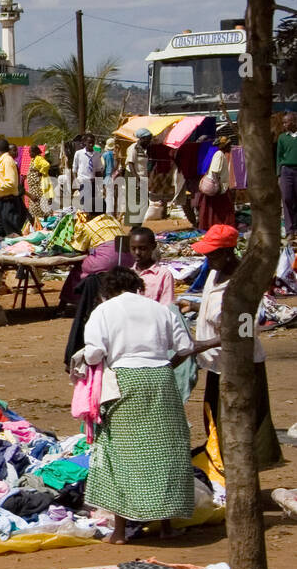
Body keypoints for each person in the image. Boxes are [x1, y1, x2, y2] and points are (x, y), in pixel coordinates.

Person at [78, 267, 196, 544]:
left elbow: (95, 352)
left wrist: (84, 361)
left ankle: (119, 532)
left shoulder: (103, 311)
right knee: (165, 449)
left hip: (125, 380)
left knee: (121, 451)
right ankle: (166, 526)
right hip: (162, 380)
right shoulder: (160, 309)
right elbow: (185, 347)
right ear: (138, 286)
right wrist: (163, 365)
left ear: (107, 290)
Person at [190, 224, 283, 471]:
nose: (208, 259)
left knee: (240, 427)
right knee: (216, 423)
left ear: (229, 253)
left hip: (239, 368)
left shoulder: (241, 287)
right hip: (216, 365)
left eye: (213, 254)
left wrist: (198, 346)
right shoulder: (214, 273)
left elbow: (242, 334)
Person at [194, 136, 236, 231]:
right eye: (228, 145)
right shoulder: (219, 154)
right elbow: (215, 171)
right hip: (219, 189)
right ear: (224, 146)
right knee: (222, 211)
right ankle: (221, 228)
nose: (230, 147)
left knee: (211, 210)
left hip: (216, 187)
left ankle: (212, 227)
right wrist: (217, 186)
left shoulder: (217, 154)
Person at [127, 226, 174, 309]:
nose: (137, 252)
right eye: (133, 248)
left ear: (153, 246)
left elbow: (166, 307)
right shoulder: (127, 275)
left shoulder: (163, 275)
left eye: (142, 248)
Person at [0, 137, 25, 237]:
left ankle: (17, 251)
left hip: (9, 202)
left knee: (12, 232)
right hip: (1, 202)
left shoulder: (7, 161)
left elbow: (11, 182)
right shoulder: (1, 162)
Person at [122, 128, 153, 223]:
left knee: (144, 203)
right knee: (135, 202)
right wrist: (136, 180)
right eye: (148, 139)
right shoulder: (133, 148)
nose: (150, 141)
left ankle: (136, 225)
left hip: (142, 178)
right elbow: (130, 164)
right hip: (133, 176)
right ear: (142, 138)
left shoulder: (144, 150)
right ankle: (133, 227)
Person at [24, 145, 51, 229]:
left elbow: (46, 165)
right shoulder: (34, 159)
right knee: (35, 208)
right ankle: (38, 226)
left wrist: (41, 172)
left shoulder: (39, 158)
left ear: (35, 152)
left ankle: (40, 226)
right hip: (33, 188)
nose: (29, 154)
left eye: (31, 152)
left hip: (37, 188)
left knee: (38, 208)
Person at [71, 132, 97, 213]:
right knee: (84, 204)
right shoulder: (79, 153)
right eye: (89, 142)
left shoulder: (97, 154)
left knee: (93, 204)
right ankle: (84, 220)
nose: (91, 144)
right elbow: (74, 169)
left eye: (93, 142)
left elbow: (99, 170)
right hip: (83, 182)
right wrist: (76, 181)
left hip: (93, 182)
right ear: (85, 142)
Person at [100, 137, 118, 213]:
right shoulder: (115, 155)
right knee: (111, 196)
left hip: (107, 177)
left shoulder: (104, 155)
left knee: (107, 196)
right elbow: (115, 166)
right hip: (114, 176)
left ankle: (108, 213)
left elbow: (103, 167)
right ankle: (112, 213)